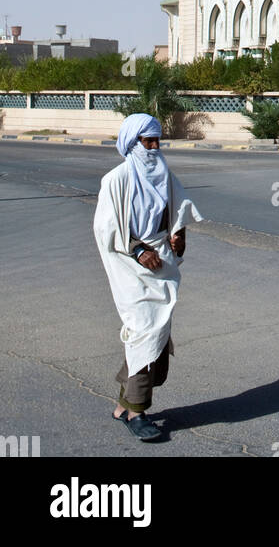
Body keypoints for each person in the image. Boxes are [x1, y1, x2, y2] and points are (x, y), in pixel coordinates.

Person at [93, 113, 203, 441]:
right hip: (131, 264)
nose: (154, 147)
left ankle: (123, 406)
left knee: (155, 330)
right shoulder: (117, 179)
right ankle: (137, 412)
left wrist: (178, 232)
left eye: (157, 140)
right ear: (132, 143)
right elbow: (106, 228)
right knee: (144, 330)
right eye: (147, 141)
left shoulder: (162, 171)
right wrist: (139, 250)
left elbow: (178, 204)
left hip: (161, 263)